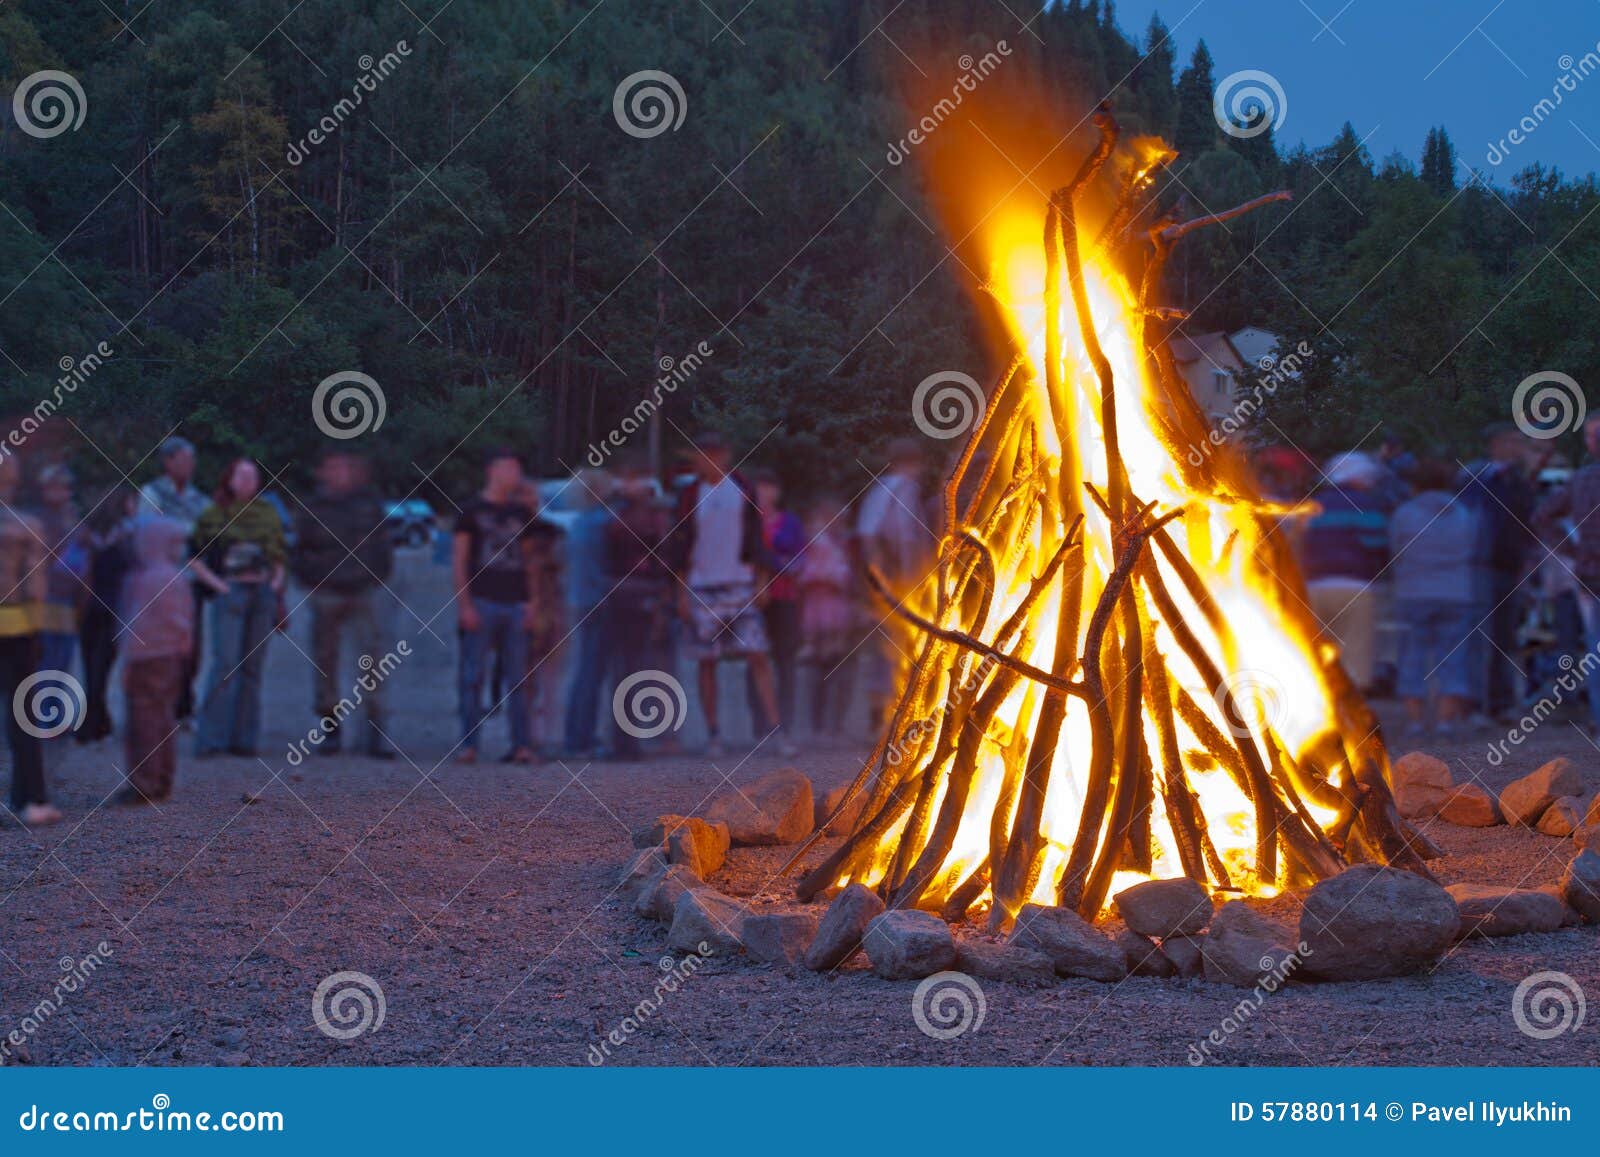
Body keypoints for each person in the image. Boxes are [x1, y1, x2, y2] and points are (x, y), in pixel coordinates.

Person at [667, 432, 793, 758]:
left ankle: (776, 731)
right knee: (707, 661)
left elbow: (756, 539)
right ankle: (714, 734)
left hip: (740, 583)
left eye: (713, 454)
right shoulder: (689, 494)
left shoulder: (742, 489)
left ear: (724, 456)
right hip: (702, 585)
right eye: (701, 454)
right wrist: (681, 593)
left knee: (758, 655)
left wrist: (762, 581)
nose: (707, 460)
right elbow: (679, 546)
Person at [292, 451, 396, 759]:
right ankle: (330, 725)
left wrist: (376, 576)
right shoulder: (312, 508)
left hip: (364, 590)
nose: (340, 473)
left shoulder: (369, 505)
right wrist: (312, 580)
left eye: (345, 467)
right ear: (322, 472)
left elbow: (383, 545)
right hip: (326, 592)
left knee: (372, 660)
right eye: (333, 467)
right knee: (325, 662)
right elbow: (299, 550)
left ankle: (375, 728)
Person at [115, 515, 214, 804]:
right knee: (164, 716)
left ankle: (143, 784)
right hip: (171, 656)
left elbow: (135, 625)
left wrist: (128, 659)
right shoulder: (177, 578)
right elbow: (184, 622)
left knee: (142, 719)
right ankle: (162, 780)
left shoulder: (144, 579)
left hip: (145, 658)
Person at [453, 449, 543, 764]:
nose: (514, 476)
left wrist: (533, 601)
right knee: (472, 676)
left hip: (515, 602)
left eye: (517, 470)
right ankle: (469, 744)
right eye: (509, 469)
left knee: (518, 678)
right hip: (482, 600)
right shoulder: (470, 512)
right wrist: (464, 604)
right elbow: (460, 560)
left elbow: (530, 561)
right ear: (492, 471)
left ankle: (521, 744)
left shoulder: (522, 514)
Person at [193, 458, 286, 757]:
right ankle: (211, 739)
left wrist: (275, 584)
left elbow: (279, 554)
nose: (247, 482)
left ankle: (245, 740)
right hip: (230, 591)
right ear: (230, 479)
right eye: (241, 476)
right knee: (225, 663)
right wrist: (219, 586)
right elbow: (193, 556)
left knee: (252, 667)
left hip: (261, 592)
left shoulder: (267, 513)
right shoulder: (214, 514)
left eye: (252, 477)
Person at [1388, 460, 1484, 736]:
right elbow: (1474, 549)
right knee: (1453, 657)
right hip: (1456, 592)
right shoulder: (1464, 514)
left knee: (1411, 656)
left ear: (1415, 484)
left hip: (1413, 592)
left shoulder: (1405, 513)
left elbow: (1395, 551)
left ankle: (1415, 721)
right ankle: (1445, 721)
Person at [1460, 423, 1544, 719]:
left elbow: (1530, 525)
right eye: (1513, 442)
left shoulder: (1519, 483)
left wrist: (1528, 562)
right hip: (1479, 567)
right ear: (1496, 444)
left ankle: (1500, 702)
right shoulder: (1476, 478)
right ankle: (1474, 703)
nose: (1519, 448)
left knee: (1504, 637)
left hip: (1510, 568)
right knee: (1479, 636)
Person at [857, 438, 937, 726]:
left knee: (902, 643)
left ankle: (897, 710)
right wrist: (879, 580)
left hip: (908, 580)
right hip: (894, 580)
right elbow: (870, 536)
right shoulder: (890, 490)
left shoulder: (902, 491)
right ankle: (879, 713)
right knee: (889, 644)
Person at [1298, 451, 1391, 693]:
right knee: (1355, 656)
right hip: (1355, 587)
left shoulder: (1313, 505)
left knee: (1316, 653)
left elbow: (1298, 544)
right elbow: (1378, 545)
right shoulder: (1365, 505)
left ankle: (1320, 701)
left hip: (1313, 587)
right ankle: (1351, 706)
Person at [1534, 413, 1600, 734]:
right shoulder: (1580, 480)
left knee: (1594, 647)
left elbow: (1542, 516)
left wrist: (1573, 550)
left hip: (1590, 571)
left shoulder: (1581, 480)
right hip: (1589, 572)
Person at [0, 455, 56, 825]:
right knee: (22, 712)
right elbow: (35, 583)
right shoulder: (24, 525)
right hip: (15, 624)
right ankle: (30, 798)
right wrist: (38, 629)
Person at [139, 436, 212, 722]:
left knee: (191, 646)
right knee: (162, 645)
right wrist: (186, 536)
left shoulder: (200, 499)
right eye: (183, 459)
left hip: (191, 582)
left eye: (191, 460)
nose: (189, 465)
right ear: (167, 462)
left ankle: (184, 703)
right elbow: (148, 537)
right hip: (161, 584)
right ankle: (162, 703)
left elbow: (208, 539)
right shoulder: (151, 494)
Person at [605, 454, 671, 760]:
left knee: (641, 667)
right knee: (627, 668)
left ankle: (638, 738)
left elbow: (665, 560)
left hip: (645, 598)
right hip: (625, 599)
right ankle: (625, 740)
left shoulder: (652, 518)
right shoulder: (618, 516)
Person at [561, 469, 618, 759]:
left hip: (581, 600)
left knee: (585, 670)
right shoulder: (602, 523)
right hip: (599, 602)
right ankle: (582, 739)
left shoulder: (580, 522)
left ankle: (576, 736)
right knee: (592, 672)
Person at [78, 486, 138, 742]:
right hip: (114, 607)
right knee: (102, 667)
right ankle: (93, 723)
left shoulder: (87, 534)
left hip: (87, 605)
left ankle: (97, 721)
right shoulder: (128, 535)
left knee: (90, 665)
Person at [746, 469, 803, 735]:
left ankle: (785, 724)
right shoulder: (746, 522)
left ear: (778, 492)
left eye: (769, 487)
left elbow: (801, 557)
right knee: (755, 658)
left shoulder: (790, 522)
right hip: (751, 599)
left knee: (785, 659)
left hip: (784, 597)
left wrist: (778, 566)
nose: (764, 493)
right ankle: (760, 725)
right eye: (759, 487)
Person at [797, 495, 857, 737]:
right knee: (819, 665)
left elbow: (847, 575)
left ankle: (835, 723)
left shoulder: (841, 543)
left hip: (837, 609)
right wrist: (829, 578)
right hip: (818, 610)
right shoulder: (816, 542)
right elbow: (806, 573)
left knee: (837, 663)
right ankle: (819, 724)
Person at [35, 464, 88, 677]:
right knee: (47, 659)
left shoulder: (75, 519)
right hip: (46, 597)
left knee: (63, 660)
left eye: (65, 487)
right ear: (44, 490)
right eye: (55, 487)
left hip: (70, 598)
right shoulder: (37, 520)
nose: (61, 492)